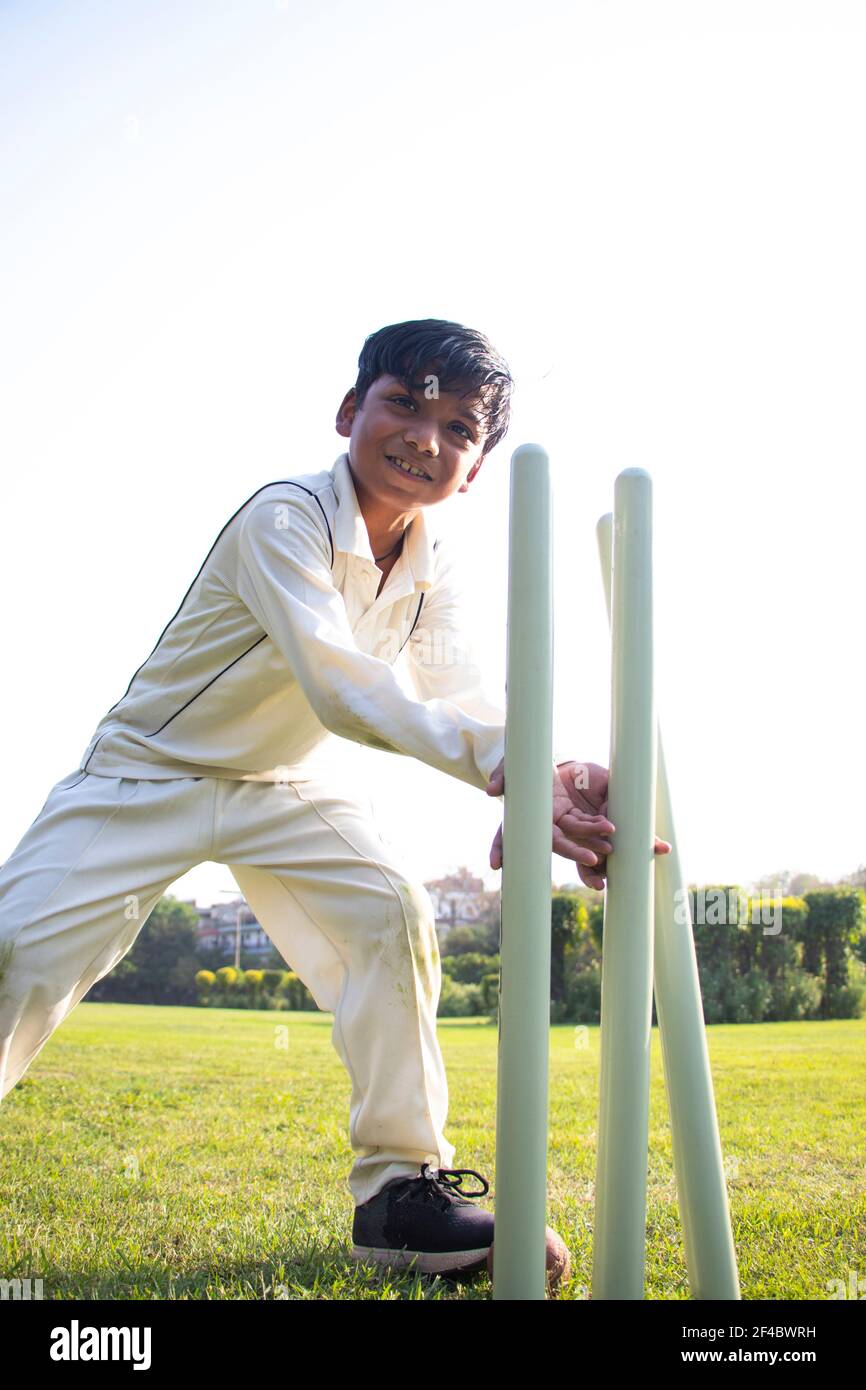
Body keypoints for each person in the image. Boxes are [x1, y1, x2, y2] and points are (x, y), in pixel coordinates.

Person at [0, 317, 669, 1279]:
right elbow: (340, 683)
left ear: (477, 467)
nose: (424, 440)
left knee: (388, 910)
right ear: (351, 410)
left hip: (290, 785)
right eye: (404, 404)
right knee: (20, 951)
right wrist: (504, 766)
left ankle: (401, 1197)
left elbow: (467, 699)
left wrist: (549, 778)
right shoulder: (283, 516)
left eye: (458, 429)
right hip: (147, 768)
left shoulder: (434, 567)